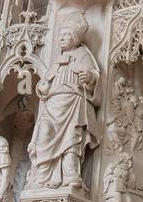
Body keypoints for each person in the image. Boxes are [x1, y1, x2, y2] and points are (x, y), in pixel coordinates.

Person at [28, 10, 100, 190]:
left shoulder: (83, 54)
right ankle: (42, 177)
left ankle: (71, 174)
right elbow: (45, 82)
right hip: (52, 103)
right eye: (60, 34)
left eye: (67, 35)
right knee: (44, 133)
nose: (62, 38)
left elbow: (95, 76)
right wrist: (43, 88)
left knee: (72, 139)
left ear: (75, 38)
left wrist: (89, 76)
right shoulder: (56, 59)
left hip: (74, 102)